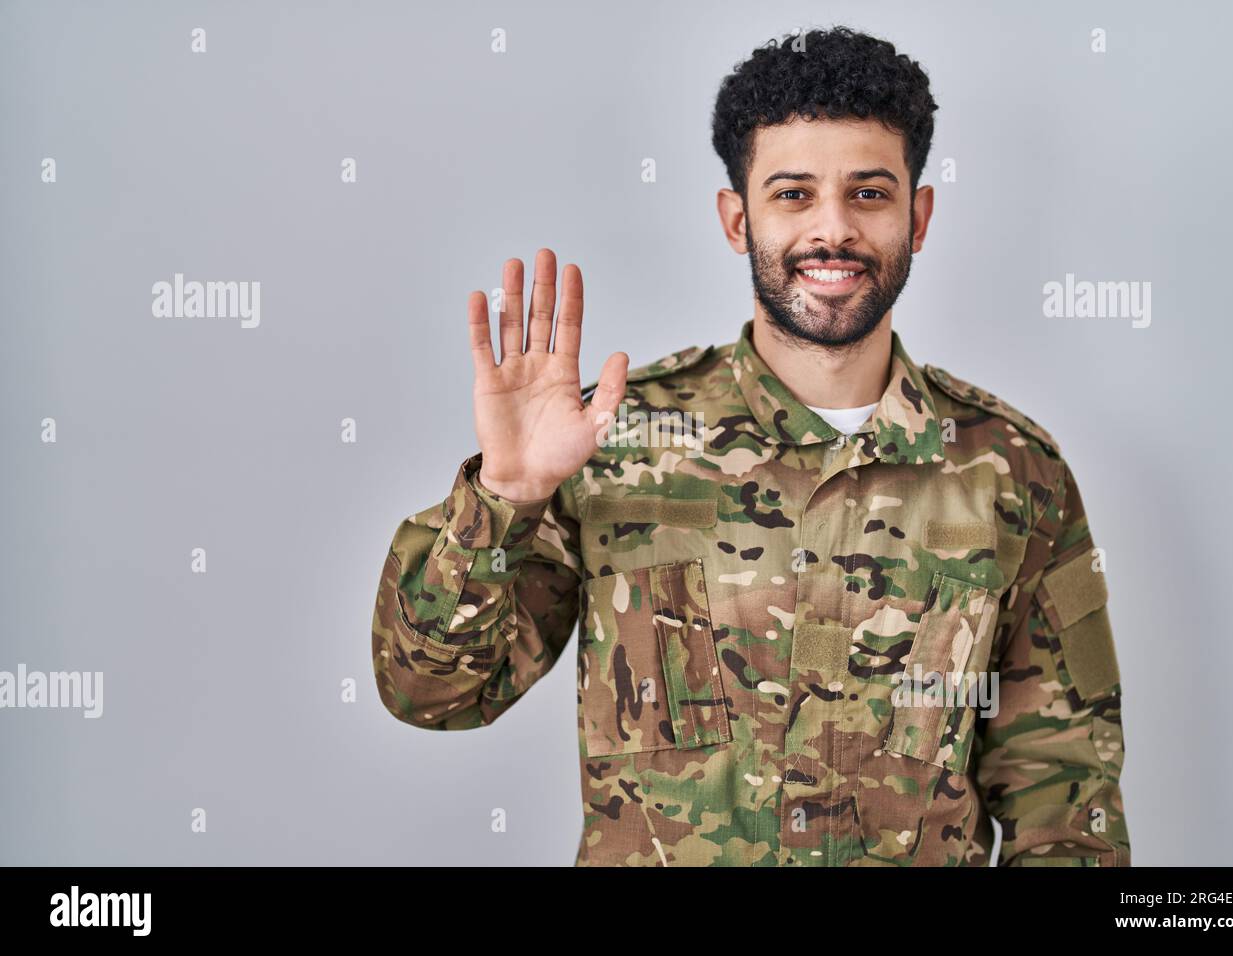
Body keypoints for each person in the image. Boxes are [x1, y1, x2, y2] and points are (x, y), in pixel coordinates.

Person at [371, 25, 1129, 867]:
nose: (833, 229)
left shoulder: (1014, 471)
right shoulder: (615, 445)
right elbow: (430, 693)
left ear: (917, 217)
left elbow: (1066, 796)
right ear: (738, 219)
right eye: (794, 194)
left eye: (869, 193)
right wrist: (505, 497)